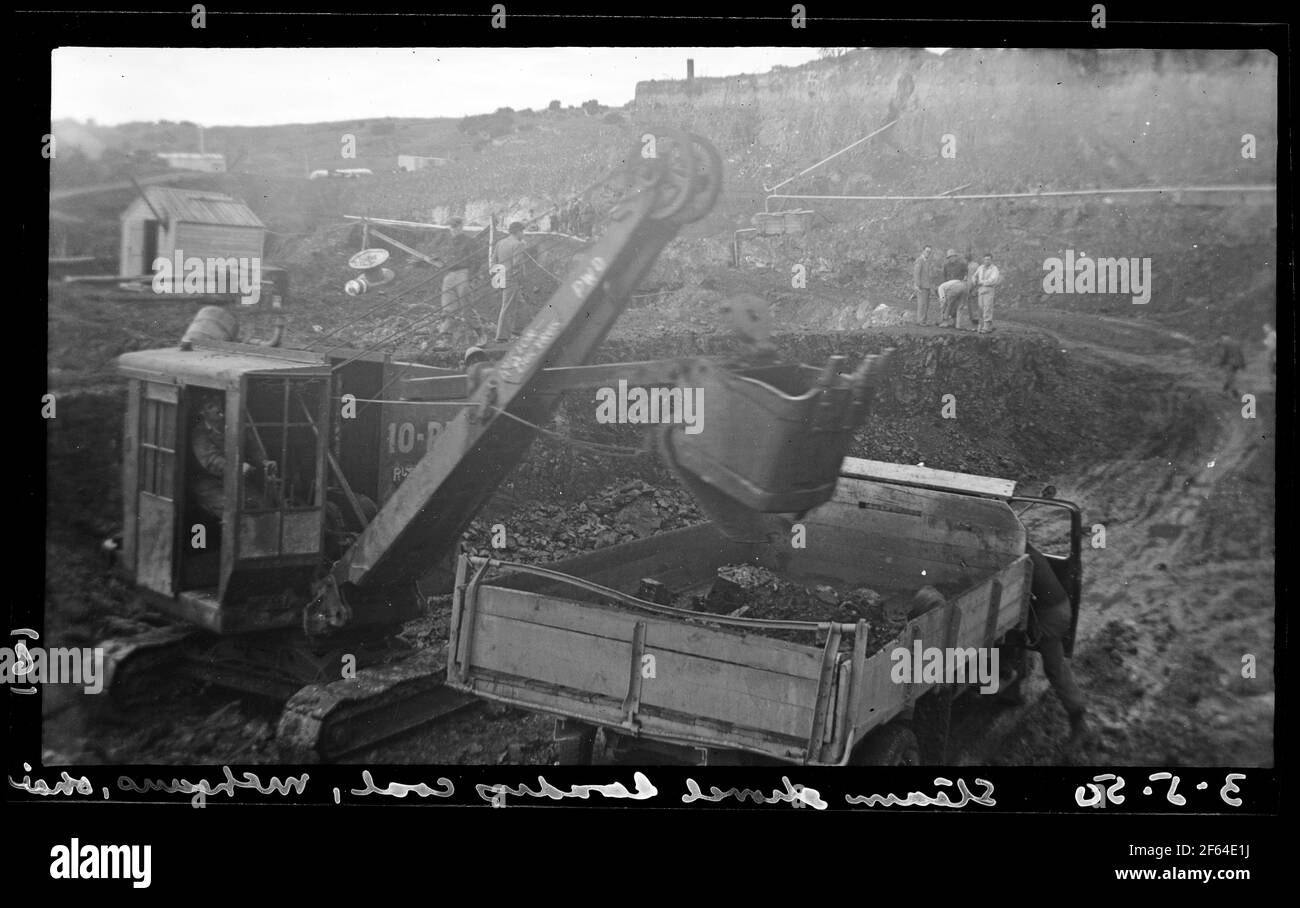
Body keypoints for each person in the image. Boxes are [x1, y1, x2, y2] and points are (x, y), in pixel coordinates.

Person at [1000, 544, 1091, 755]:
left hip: (1051, 615)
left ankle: (1079, 724)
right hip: (1053, 608)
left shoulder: (1016, 550)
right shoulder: (1023, 546)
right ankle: (1010, 687)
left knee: (1054, 668)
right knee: (1012, 627)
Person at [191, 392, 273, 519]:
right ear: (202, 412)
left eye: (217, 404)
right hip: (209, 483)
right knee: (233, 511)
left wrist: (264, 462)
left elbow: (253, 447)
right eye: (210, 406)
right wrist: (237, 468)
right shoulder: (200, 434)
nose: (217, 408)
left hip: (235, 480)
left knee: (262, 505)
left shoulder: (232, 424)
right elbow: (211, 460)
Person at [435, 218, 479, 341]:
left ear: (461, 227)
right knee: (448, 305)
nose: (453, 229)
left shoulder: (470, 242)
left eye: (455, 226)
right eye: (451, 227)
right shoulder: (448, 243)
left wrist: (470, 277)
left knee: (467, 306)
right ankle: (446, 334)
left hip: (463, 273)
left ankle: (479, 332)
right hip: (449, 274)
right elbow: (445, 259)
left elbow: (477, 260)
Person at [493, 221, 527, 341]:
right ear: (518, 232)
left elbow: (493, 261)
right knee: (507, 307)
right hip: (512, 279)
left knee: (521, 305)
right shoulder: (518, 244)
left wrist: (498, 279)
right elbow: (517, 264)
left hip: (502, 277)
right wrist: (522, 279)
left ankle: (517, 330)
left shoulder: (500, 243)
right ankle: (501, 337)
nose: (523, 234)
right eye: (522, 231)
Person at [973, 253, 1002, 334]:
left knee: (987, 307)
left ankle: (987, 327)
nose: (987, 261)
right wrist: (974, 280)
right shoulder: (980, 267)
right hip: (981, 290)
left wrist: (981, 282)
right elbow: (975, 276)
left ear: (991, 260)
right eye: (985, 259)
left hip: (989, 290)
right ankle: (981, 326)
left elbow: (993, 280)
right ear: (983, 260)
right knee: (980, 308)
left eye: (988, 259)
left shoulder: (994, 269)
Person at [912, 245, 936, 326]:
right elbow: (916, 273)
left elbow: (928, 275)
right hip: (921, 286)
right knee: (922, 304)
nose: (928, 253)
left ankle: (923, 320)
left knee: (926, 304)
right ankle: (921, 321)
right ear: (923, 251)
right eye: (926, 251)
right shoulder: (920, 260)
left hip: (927, 286)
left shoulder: (927, 261)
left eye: (929, 252)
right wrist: (917, 285)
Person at [1262, 323, 1276, 388]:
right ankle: (1273, 388)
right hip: (1271, 357)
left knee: (1272, 373)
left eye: (1265, 329)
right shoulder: (1270, 335)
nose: (1264, 330)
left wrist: (1266, 343)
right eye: (1264, 329)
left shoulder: (1272, 334)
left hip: (1273, 358)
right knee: (1271, 373)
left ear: (1269, 328)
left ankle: (1273, 388)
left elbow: (1272, 347)